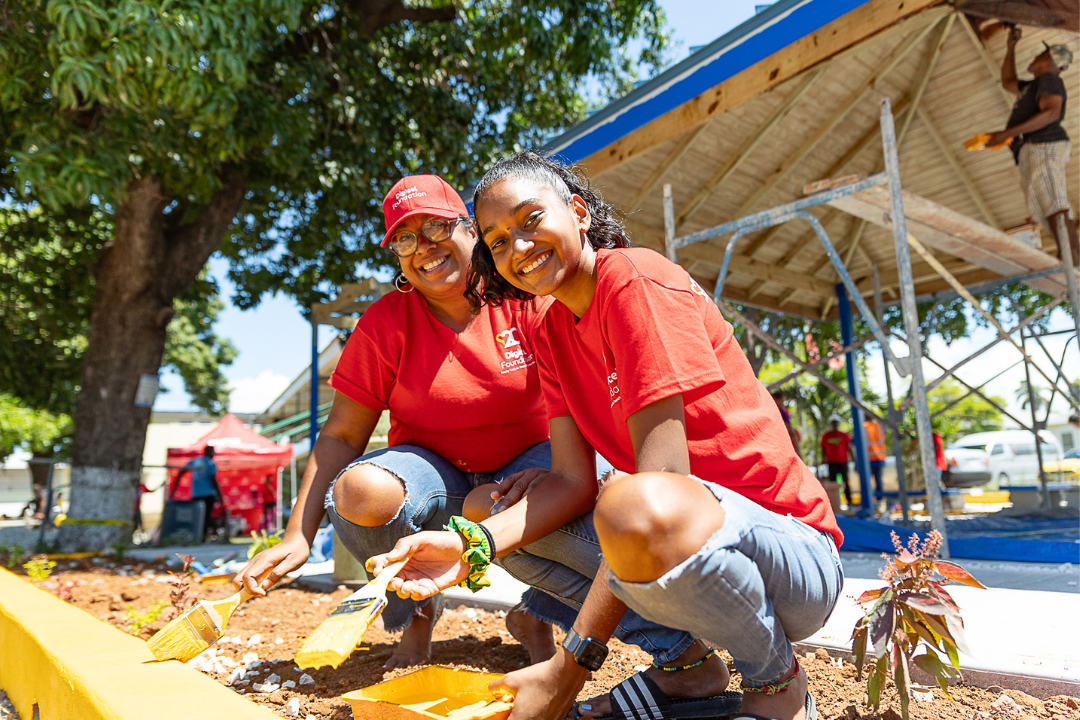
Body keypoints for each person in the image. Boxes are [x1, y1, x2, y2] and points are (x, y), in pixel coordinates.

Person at [371, 153, 842, 720]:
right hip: (686, 546)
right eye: (497, 241)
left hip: (791, 560)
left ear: (577, 212)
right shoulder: (550, 331)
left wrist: (569, 666)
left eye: (530, 220)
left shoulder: (633, 280)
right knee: (485, 508)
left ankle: (778, 685)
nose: (517, 248)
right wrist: (469, 544)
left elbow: (665, 484)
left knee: (633, 503)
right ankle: (688, 670)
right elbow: (570, 483)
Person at [234, 174, 580, 669]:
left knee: (577, 486)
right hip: (437, 477)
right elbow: (340, 435)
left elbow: (582, 402)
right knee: (360, 491)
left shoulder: (524, 299)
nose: (424, 248)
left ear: (470, 231)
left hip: (527, 467)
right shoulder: (385, 323)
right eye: (405, 238)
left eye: (436, 228)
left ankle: (538, 614)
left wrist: (559, 470)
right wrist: (297, 536)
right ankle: (415, 617)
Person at [984, 27, 1078, 267]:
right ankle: (1069, 256)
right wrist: (1010, 47)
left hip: (1044, 145)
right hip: (1032, 149)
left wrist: (1007, 134)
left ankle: (1073, 258)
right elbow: (1007, 82)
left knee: (1053, 200)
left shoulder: (1049, 80)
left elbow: (1051, 114)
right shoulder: (1034, 86)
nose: (1035, 57)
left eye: (1040, 54)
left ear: (1046, 59)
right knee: (1043, 204)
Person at [169, 445, 223, 543]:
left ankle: (197, 537)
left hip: (196, 494)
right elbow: (213, 480)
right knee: (206, 517)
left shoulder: (195, 461)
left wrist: (173, 490)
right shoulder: (211, 464)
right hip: (208, 495)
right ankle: (202, 537)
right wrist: (220, 496)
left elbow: (181, 473)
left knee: (198, 517)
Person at [820, 417, 855, 508]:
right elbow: (823, 449)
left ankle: (849, 501)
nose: (835, 425)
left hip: (842, 462)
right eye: (833, 423)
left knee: (846, 482)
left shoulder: (844, 435)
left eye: (836, 423)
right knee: (833, 483)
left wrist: (853, 460)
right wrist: (823, 459)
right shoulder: (826, 436)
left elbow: (849, 448)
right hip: (831, 462)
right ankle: (833, 503)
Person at [771, 390, 802, 459]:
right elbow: (791, 433)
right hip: (782, 446)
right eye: (782, 401)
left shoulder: (767, 411)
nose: (783, 404)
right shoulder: (781, 412)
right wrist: (798, 451)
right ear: (775, 400)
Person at [864, 418, 887, 498]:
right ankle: (879, 499)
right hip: (879, 457)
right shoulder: (879, 426)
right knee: (878, 480)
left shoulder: (864, 426)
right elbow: (884, 437)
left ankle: (869, 499)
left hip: (868, 458)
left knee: (867, 481)